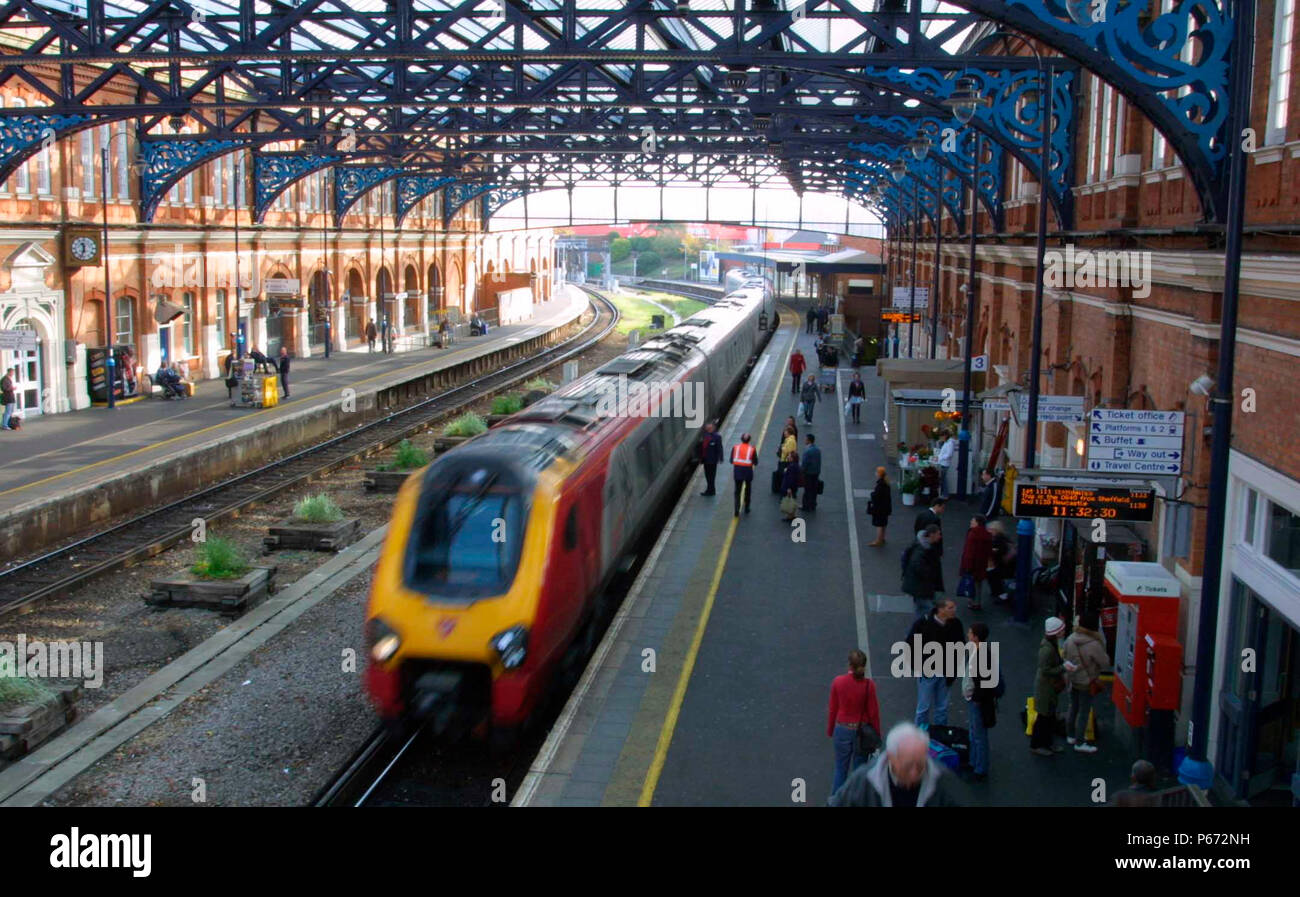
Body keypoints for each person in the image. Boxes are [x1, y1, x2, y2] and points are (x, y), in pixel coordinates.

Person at [828, 722, 963, 807]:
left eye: (920, 764)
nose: (915, 773)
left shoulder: (943, 781)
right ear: (891, 758)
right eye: (908, 766)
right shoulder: (864, 781)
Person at [827, 650, 882, 795]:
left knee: (840, 770)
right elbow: (873, 714)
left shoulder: (838, 682)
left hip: (842, 730)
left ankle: (835, 802)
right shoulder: (869, 686)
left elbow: (833, 708)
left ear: (849, 665)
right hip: (860, 734)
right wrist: (877, 736)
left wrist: (831, 729)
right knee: (859, 773)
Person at [908, 597, 964, 727]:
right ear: (941, 609)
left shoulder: (956, 624)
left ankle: (939, 736)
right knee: (924, 708)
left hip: (946, 673)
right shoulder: (923, 624)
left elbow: (961, 646)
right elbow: (910, 645)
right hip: (928, 672)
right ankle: (919, 736)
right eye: (950, 608)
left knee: (942, 708)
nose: (954, 610)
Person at [1063, 612, 1109, 753]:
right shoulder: (1094, 644)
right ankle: (1080, 742)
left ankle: (1070, 735)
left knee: (1073, 707)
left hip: (1073, 679)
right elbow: (1105, 663)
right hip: (1087, 682)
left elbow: (1064, 656)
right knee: (1084, 711)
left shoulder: (1070, 639)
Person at [962, 621, 996, 782]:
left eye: (970, 633)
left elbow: (984, 682)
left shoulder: (981, 655)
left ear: (975, 636)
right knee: (974, 732)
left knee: (979, 735)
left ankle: (980, 767)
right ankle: (974, 761)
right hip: (974, 698)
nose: (968, 635)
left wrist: (976, 699)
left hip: (978, 701)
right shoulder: (978, 651)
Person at [1031, 616, 1068, 756]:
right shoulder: (1048, 650)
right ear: (1056, 632)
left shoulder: (1049, 646)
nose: (1064, 631)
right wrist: (1063, 667)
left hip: (1047, 688)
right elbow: (1045, 669)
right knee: (1044, 718)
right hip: (1046, 688)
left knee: (1048, 717)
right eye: (1062, 630)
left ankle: (1046, 744)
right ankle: (1038, 745)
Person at [903, 523, 945, 619]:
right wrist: (929, 574)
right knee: (927, 612)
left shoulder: (923, 546)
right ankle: (918, 633)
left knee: (921, 613)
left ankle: (918, 633)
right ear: (931, 534)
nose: (940, 536)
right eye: (938, 534)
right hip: (921, 588)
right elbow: (918, 566)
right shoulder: (922, 550)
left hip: (920, 587)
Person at [958, 514, 993, 611]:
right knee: (978, 583)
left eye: (972, 521)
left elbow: (969, 552)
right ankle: (977, 603)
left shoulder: (972, 534)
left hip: (971, 564)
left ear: (977, 523)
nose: (970, 522)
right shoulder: (987, 535)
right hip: (981, 563)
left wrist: (967, 566)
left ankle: (971, 602)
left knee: (970, 583)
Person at [986, 519, 1016, 603]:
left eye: (990, 530)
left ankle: (1000, 594)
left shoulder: (998, 540)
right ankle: (998, 593)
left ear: (995, 530)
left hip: (1005, 566)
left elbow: (999, 551)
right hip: (1008, 565)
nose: (988, 531)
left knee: (992, 574)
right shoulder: (1004, 538)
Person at [730, 432, 757, 517]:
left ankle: (736, 510)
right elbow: (755, 462)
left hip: (738, 472)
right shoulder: (752, 449)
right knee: (747, 490)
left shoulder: (735, 448)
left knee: (737, 491)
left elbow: (731, 460)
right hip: (748, 472)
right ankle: (747, 507)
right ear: (749, 440)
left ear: (741, 439)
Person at [866, 466, 891, 546]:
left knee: (879, 524)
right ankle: (882, 538)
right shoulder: (886, 483)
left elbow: (876, 496)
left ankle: (878, 540)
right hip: (886, 507)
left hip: (880, 508)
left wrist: (872, 494)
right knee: (883, 524)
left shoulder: (880, 485)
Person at [698, 421, 722, 497]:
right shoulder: (705, 436)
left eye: (710, 428)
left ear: (713, 428)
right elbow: (702, 448)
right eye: (707, 428)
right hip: (705, 460)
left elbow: (719, 448)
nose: (708, 429)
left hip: (712, 460)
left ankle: (711, 490)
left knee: (711, 476)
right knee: (708, 476)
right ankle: (710, 489)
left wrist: (720, 458)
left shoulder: (717, 437)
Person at [800, 434, 821, 512]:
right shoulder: (817, 450)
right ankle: (813, 504)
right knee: (814, 489)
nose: (804, 440)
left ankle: (806, 505)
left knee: (807, 490)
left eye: (805, 439)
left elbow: (805, 463)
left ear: (808, 440)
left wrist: (802, 472)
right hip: (816, 473)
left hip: (808, 473)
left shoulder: (807, 451)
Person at [780, 450, 802, 520]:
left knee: (789, 500)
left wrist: (789, 488)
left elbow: (790, 478)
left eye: (789, 456)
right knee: (792, 499)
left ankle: (790, 516)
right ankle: (792, 515)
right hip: (794, 486)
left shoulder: (792, 466)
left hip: (790, 486)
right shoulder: (796, 465)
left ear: (792, 458)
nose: (788, 456)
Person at [934, 430, 955, 498]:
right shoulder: (947, 442)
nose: (941, 438)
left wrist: (940, 458)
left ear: (945, 436)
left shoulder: (950, 443)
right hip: (942, 462)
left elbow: (949, 454)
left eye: (942, 436)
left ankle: (945, 494)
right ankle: (944, 494)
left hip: (944, 463)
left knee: (943, 479)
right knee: (943, 479)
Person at [1, 366, 15, 431]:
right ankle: (5, 425)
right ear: (9, 372)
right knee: (8, 412)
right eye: (12, 373)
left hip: (10, 397)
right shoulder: (4, 379)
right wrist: (11, 388)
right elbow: (4, 388)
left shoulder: (8, 379)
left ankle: (6, 423)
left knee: (10, 411)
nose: (13, 374)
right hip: (8, 397)